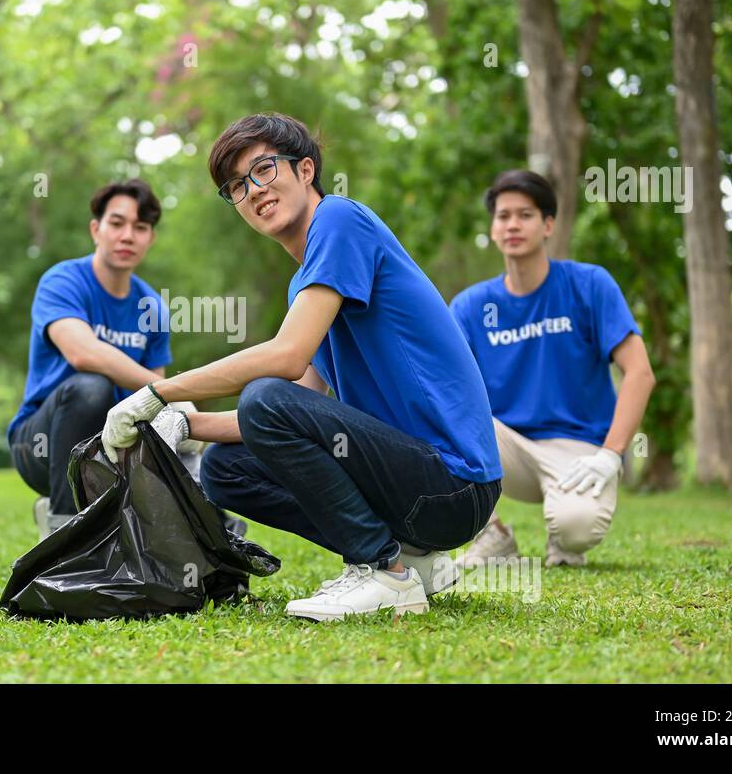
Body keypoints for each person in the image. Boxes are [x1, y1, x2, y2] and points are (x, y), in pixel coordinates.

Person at [99, 113, 503, 620]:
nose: (253, 190)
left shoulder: (340, 221)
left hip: (453, 484)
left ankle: (383, 570)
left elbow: (285, 364)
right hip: (414, 489)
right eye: (237, 186)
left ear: (306, 170)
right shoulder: (309, 284)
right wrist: (179, 425)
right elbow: (301, 403)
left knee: (263, 397)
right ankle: (413, 560)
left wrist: (159, 392)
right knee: (226, 469)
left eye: (264, 170)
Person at [449, 169, 655, 568]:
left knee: (576, 528)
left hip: (578, 449)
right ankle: (493, 537)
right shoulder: (472, 306)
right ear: (492, 229)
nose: (512, 224)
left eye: (524, 215)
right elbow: (444, 387)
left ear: (547, 225)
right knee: (427, 418)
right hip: (503, 446)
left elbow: (640, 373)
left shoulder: (590, 285)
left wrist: (612, 454)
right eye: (503, 216)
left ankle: (562, 538)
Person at [8, 179, 194, 540]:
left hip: (109, 444)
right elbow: (83, 352)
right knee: (92, 388)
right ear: (96, 229)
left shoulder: (152, 307)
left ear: (150, 238)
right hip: (39, 445)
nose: (128, 236)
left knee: (163, 430)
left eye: (140, 228)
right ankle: (62, 535)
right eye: (117, 223)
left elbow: (148, 406)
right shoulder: (62, 281)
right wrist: (167, 392)